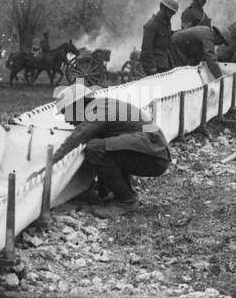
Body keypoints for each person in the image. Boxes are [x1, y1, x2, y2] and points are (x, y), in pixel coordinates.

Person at [52, 83, 170, 214]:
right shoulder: (101, 106)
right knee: (101, 145)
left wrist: (51, 163)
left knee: (95, 148)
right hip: (153, 152)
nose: (66, 120)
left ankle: (126, 201)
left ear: (77, 105)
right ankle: (113, 193)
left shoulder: (98, 111)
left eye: (66, 113)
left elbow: (77, 137)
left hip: (154, 156)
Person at [140, 0, 179, 75]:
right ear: (162, 7)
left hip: (165, 64)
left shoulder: (166, 24)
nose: (171, 15)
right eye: (170, 12)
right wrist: (152, 68)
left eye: (173, 13)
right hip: (155, 66)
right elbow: (146, 49)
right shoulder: (152, 25)